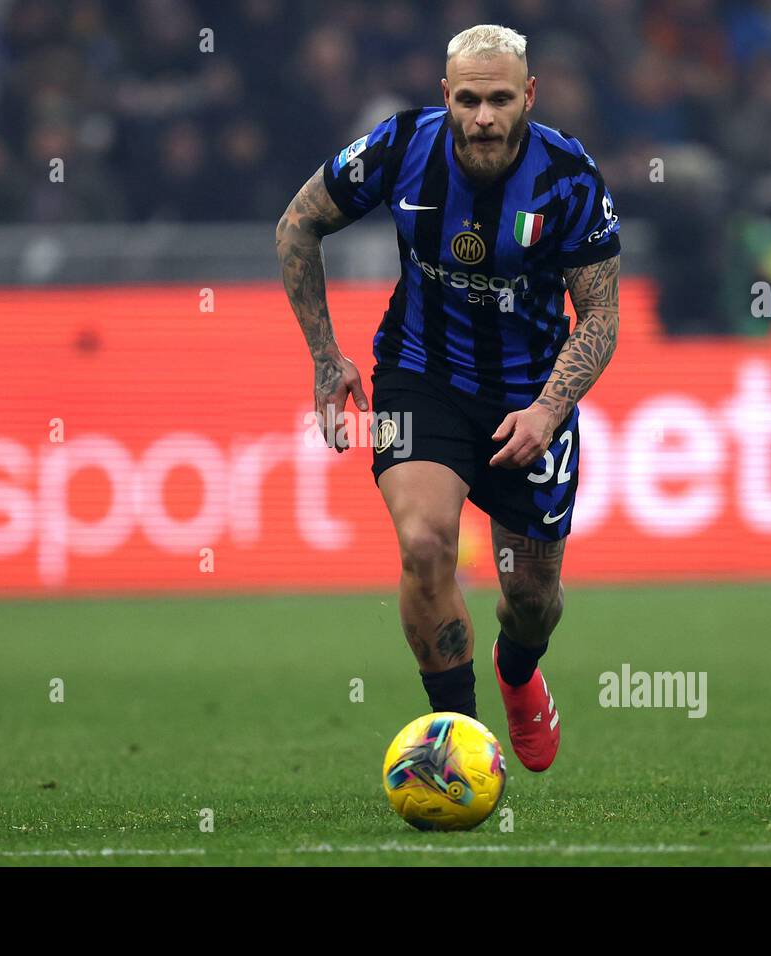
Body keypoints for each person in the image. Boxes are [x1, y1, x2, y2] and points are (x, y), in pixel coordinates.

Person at [277, 24, 620, 772]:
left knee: (532, 597)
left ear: (528, 95)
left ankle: (519, 672)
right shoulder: (401, 147)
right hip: (418, 374)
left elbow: (600, 317)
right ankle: (463, 745)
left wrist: (548, 410)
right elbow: (298, 225)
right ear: (446, 97)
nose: (485, 117)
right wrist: (325, 355)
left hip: (531, 393)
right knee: (425, 543)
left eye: (501, 99)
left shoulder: (568, 176)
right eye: (469, 99)